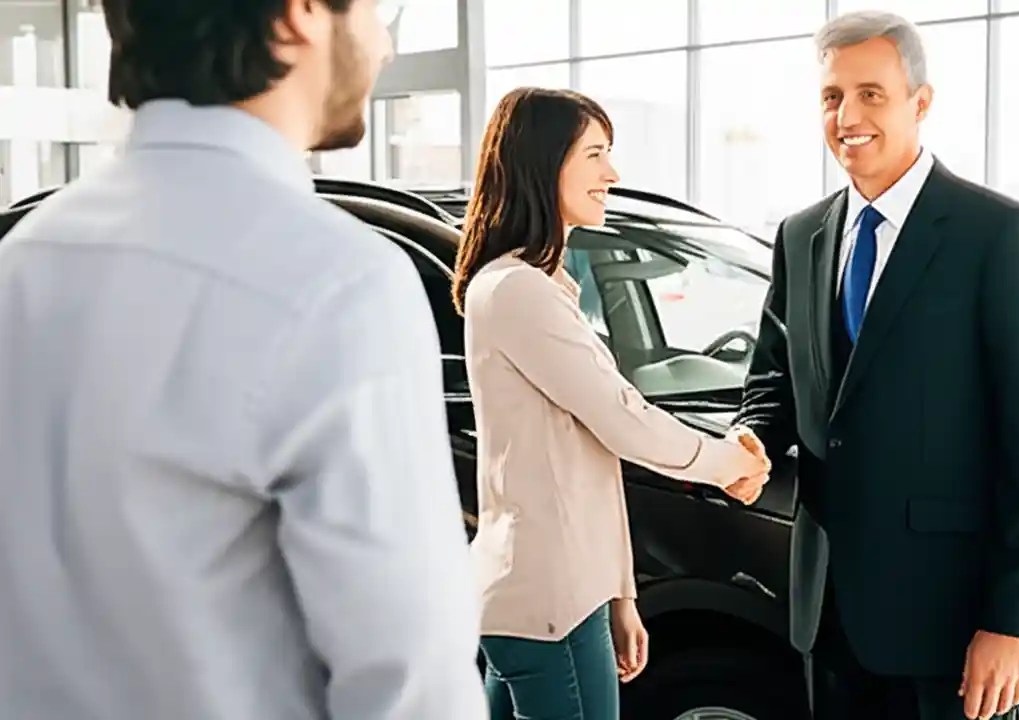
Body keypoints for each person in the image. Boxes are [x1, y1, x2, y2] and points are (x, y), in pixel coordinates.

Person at [0, 1, 485, 718]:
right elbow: (410, 686)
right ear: (297, 16)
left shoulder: (23, 263)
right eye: (378, 11)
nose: (383, 46)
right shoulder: (337, 280)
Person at [729, 10, 1019, 720]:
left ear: (921, 102)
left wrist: (1013, 622)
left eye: (871, 94)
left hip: (947, 622)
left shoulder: (999, 235)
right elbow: (772, 379)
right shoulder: (801, 236)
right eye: (832, 97)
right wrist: (752, 438)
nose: (847, 115)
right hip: (825, 609)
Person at [452, 87, 770, 720]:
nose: (612, 174)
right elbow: (626, 421)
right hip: (549, 603)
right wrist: (731, 462)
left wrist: (619, 597)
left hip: (561, 596)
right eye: (595, 154)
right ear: (545, 164)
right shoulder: (519, 291)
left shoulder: (540, 286)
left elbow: (589, 466)